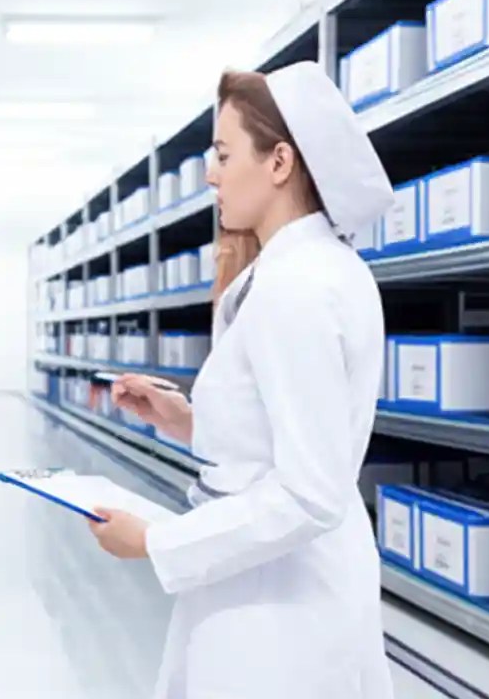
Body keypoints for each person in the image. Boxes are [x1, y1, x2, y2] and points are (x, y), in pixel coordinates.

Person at [86, 61, 396, 699]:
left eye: (224, 154)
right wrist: (186, 420)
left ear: (279, 162)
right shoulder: (307, 270)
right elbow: (291, 432)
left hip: (283, 609)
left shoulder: (298, 286)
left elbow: (308, 493)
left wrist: (156, 542)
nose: (210, 173)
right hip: (279, 583)